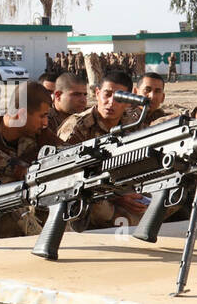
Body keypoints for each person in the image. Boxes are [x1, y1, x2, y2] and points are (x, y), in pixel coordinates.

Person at [58, 70, 148, 227]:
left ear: (128, 101)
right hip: (86, 193)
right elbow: (64, 175)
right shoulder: (77, 127)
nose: (111, 102)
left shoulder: (133, 124)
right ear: (97, 93)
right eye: (107, 94)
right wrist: (116, 196)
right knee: (103, 210)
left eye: (119, 97)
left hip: (122, 189)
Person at [0, 81, 52, 237]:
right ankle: (36, 234)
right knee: (3, 178)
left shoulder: (39, 135)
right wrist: (26, 171)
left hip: (29, 216)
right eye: (42, 116)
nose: (45, 122)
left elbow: (64, 151)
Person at [47, 72, 89, 136]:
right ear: (58, 95)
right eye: (76, 94)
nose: (83, 100)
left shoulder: (88, 116)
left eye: (85, 94)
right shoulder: (44, 120)